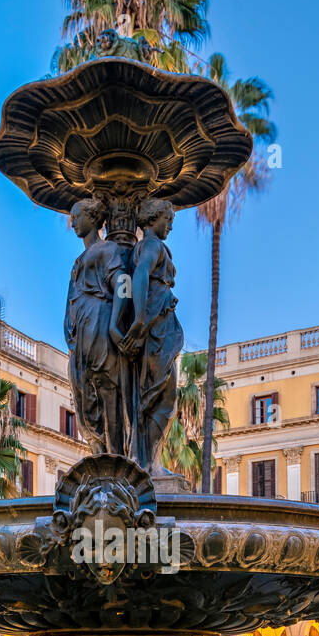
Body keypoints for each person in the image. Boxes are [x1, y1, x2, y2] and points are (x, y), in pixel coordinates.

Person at [115, 198, 183, 474]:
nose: (169, 226)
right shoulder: (152, 246)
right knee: (161, 396)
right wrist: (141, 319)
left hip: (157, 324)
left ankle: (146, 460)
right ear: (154, 218)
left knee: (156, 395)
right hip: (155, 327)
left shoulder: (146, 247)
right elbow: (140, 276)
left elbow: (134, 280)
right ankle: (148, 464)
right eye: (167, 220)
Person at [64, 198, 131, 455]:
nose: (73, 222)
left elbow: (123, 283)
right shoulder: (79, 260)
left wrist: (116, 322)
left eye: (77, 216)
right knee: (82, 392)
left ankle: (115, 456)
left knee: (106, 388)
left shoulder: (108, 250)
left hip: (100, 324)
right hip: (79, 332)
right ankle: (98, 452)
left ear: (93, 218)